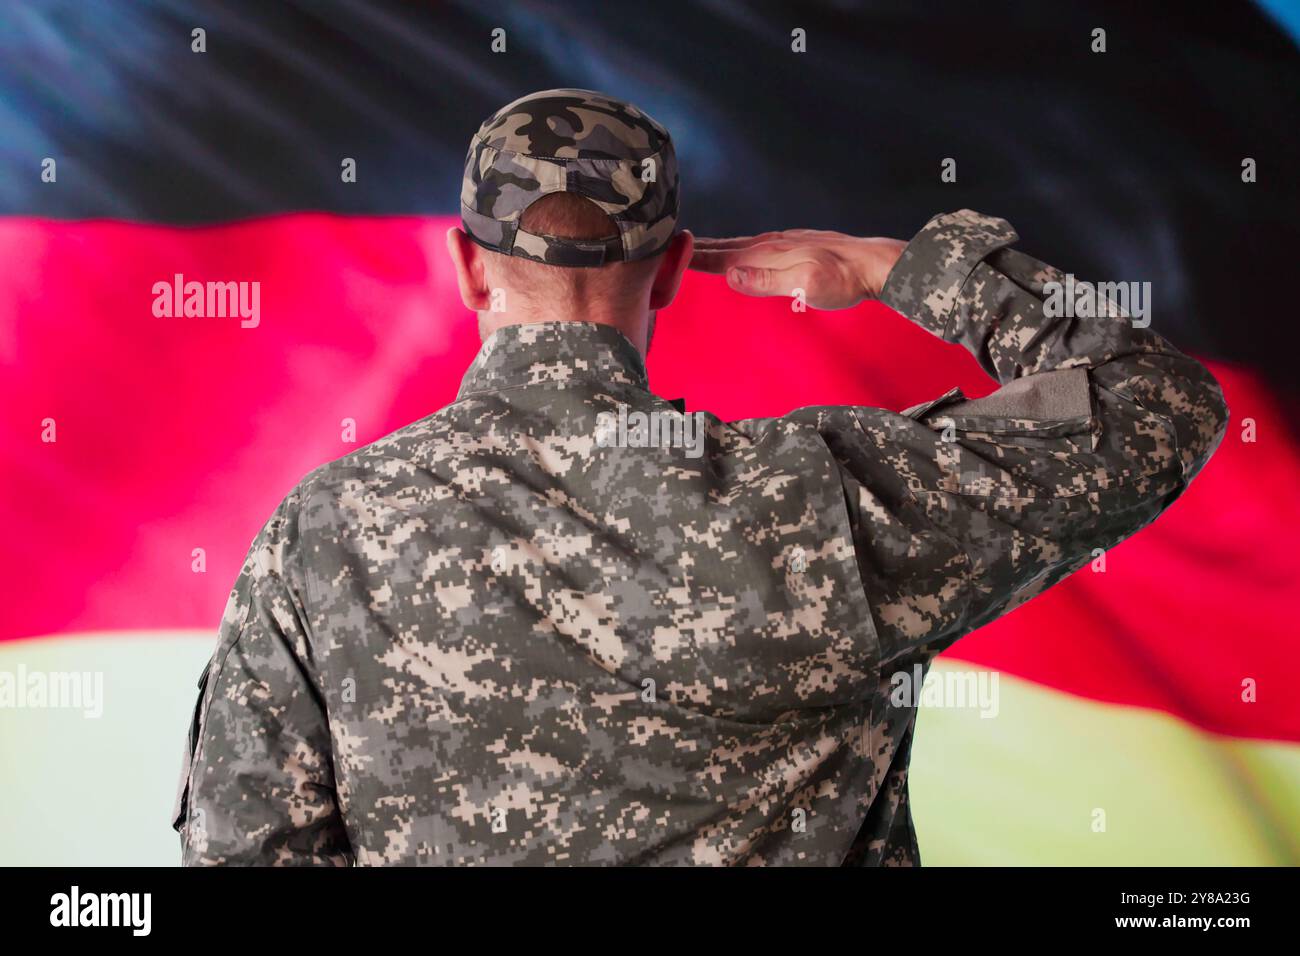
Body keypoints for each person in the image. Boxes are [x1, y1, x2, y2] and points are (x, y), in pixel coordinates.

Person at [172, 89, 1228, 865]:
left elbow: (241, 849)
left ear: (463, 262)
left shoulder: (325, 532)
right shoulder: (819, 500)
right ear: (676, 267)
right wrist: (899, 268)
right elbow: (1154, 403)